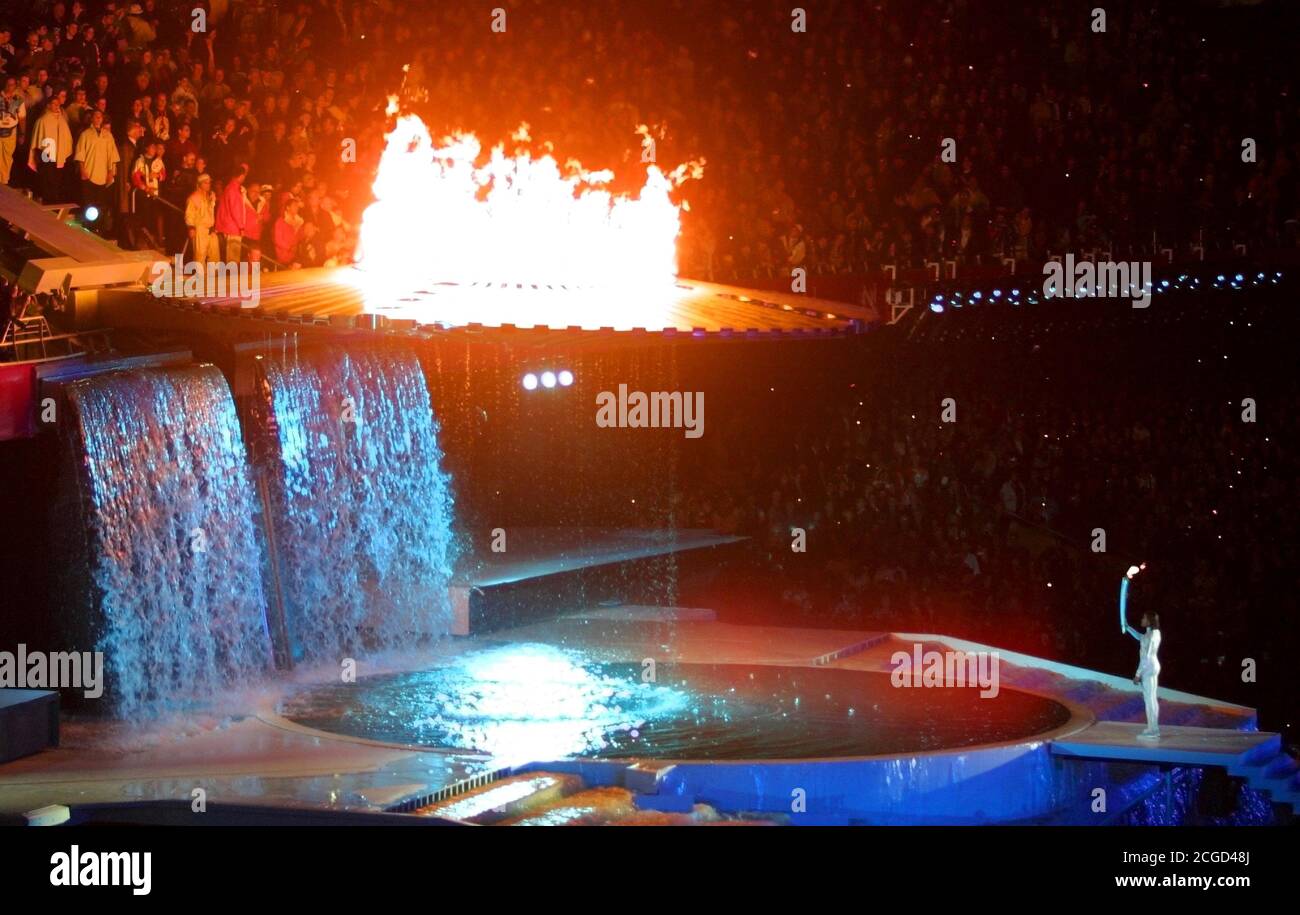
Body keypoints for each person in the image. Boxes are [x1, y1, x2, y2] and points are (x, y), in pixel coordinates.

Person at [73, 109, 118, 234]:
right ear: (92, 119)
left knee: (101, 204)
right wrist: (82, 169)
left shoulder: (108, 136)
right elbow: (80, 153)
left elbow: (112, 156)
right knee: (89, 203)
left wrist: (110, 172)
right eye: (96, 116)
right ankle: (88, 227)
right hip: (89, 173)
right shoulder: (85, 134)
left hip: (103, 175)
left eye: (100, 117)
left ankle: (99, 228)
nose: (98, 119)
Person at [26, 95, 73, 202]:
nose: (57, 106)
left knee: (56, 179)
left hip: (59, 154)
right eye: (54, 104)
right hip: (46, 154)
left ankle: (53, 200)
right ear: (48, 105)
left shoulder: (62, 120)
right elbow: (37, 139)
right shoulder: (42, 120)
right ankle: (46, 199)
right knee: (47, 177)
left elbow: (67, 139)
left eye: (58, 104)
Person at [1125, 610, 1162, 740]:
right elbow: (1140, 637)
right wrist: (1128, 628)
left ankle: (1153, 730)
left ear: (1149, 620)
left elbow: (1146, 657)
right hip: (1152, 666)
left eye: (1144, 618)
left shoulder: (1153, 635)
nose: (1142, 619)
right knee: (1151, 698)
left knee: (1150, 699)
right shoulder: (1150, 634)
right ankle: (1153, 727)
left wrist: (1138, 674)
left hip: (1149, 667)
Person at [185, 173, 218, 268]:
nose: (208, 185)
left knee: (214, 256)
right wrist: (191, 227)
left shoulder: (210, 197)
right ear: (199, 184)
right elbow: (189, 214)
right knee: (200, 256)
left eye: (209, 183)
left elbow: (211, 212)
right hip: (199, 229)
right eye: (205, 183)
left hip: (210, 230)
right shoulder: (193, 198)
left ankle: (212, 279)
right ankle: (200, 279)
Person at [0, 77, 26, 186]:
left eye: (12, 85)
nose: (10, 87)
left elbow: (22, 118)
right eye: (8, 84)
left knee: (7, 159)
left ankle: (3, 182)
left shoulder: (18, 100)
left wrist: (22, 134)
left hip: (10, 132)